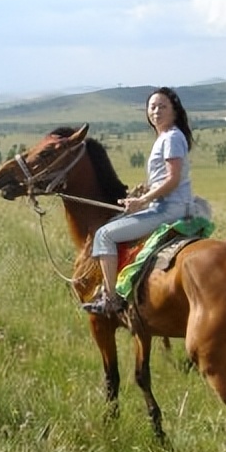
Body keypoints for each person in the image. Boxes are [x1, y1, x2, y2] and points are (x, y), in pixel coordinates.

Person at [81, 86, 196, 316]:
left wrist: (142, 201)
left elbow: (173, 180)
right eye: (152, 107)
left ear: (174, 111)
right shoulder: (167, 136)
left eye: (163, 106)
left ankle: (111, 299)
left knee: (105, 233)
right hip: (169, 204)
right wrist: (141, 193)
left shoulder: (172, 137)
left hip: (167, 209)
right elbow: (164, 179)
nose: (156, 111)